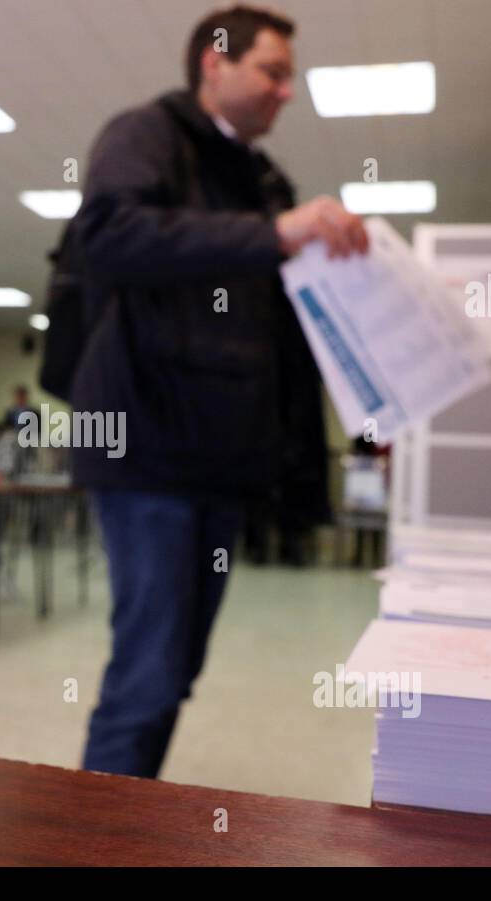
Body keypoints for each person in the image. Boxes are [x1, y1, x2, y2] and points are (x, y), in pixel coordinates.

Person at [70, 4, 368, 777]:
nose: (287, 91)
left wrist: (368, 411)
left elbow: (283, 332)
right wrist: (271, 235)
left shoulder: (265, 180)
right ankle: (99, 840)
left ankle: (124, 820)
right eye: (273, 71)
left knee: (177, 670)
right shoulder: (148, 135)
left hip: (222, 464)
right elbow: (104, 237)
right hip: (145, 451)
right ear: (214, 62)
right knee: (148, 673)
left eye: (289, 76)